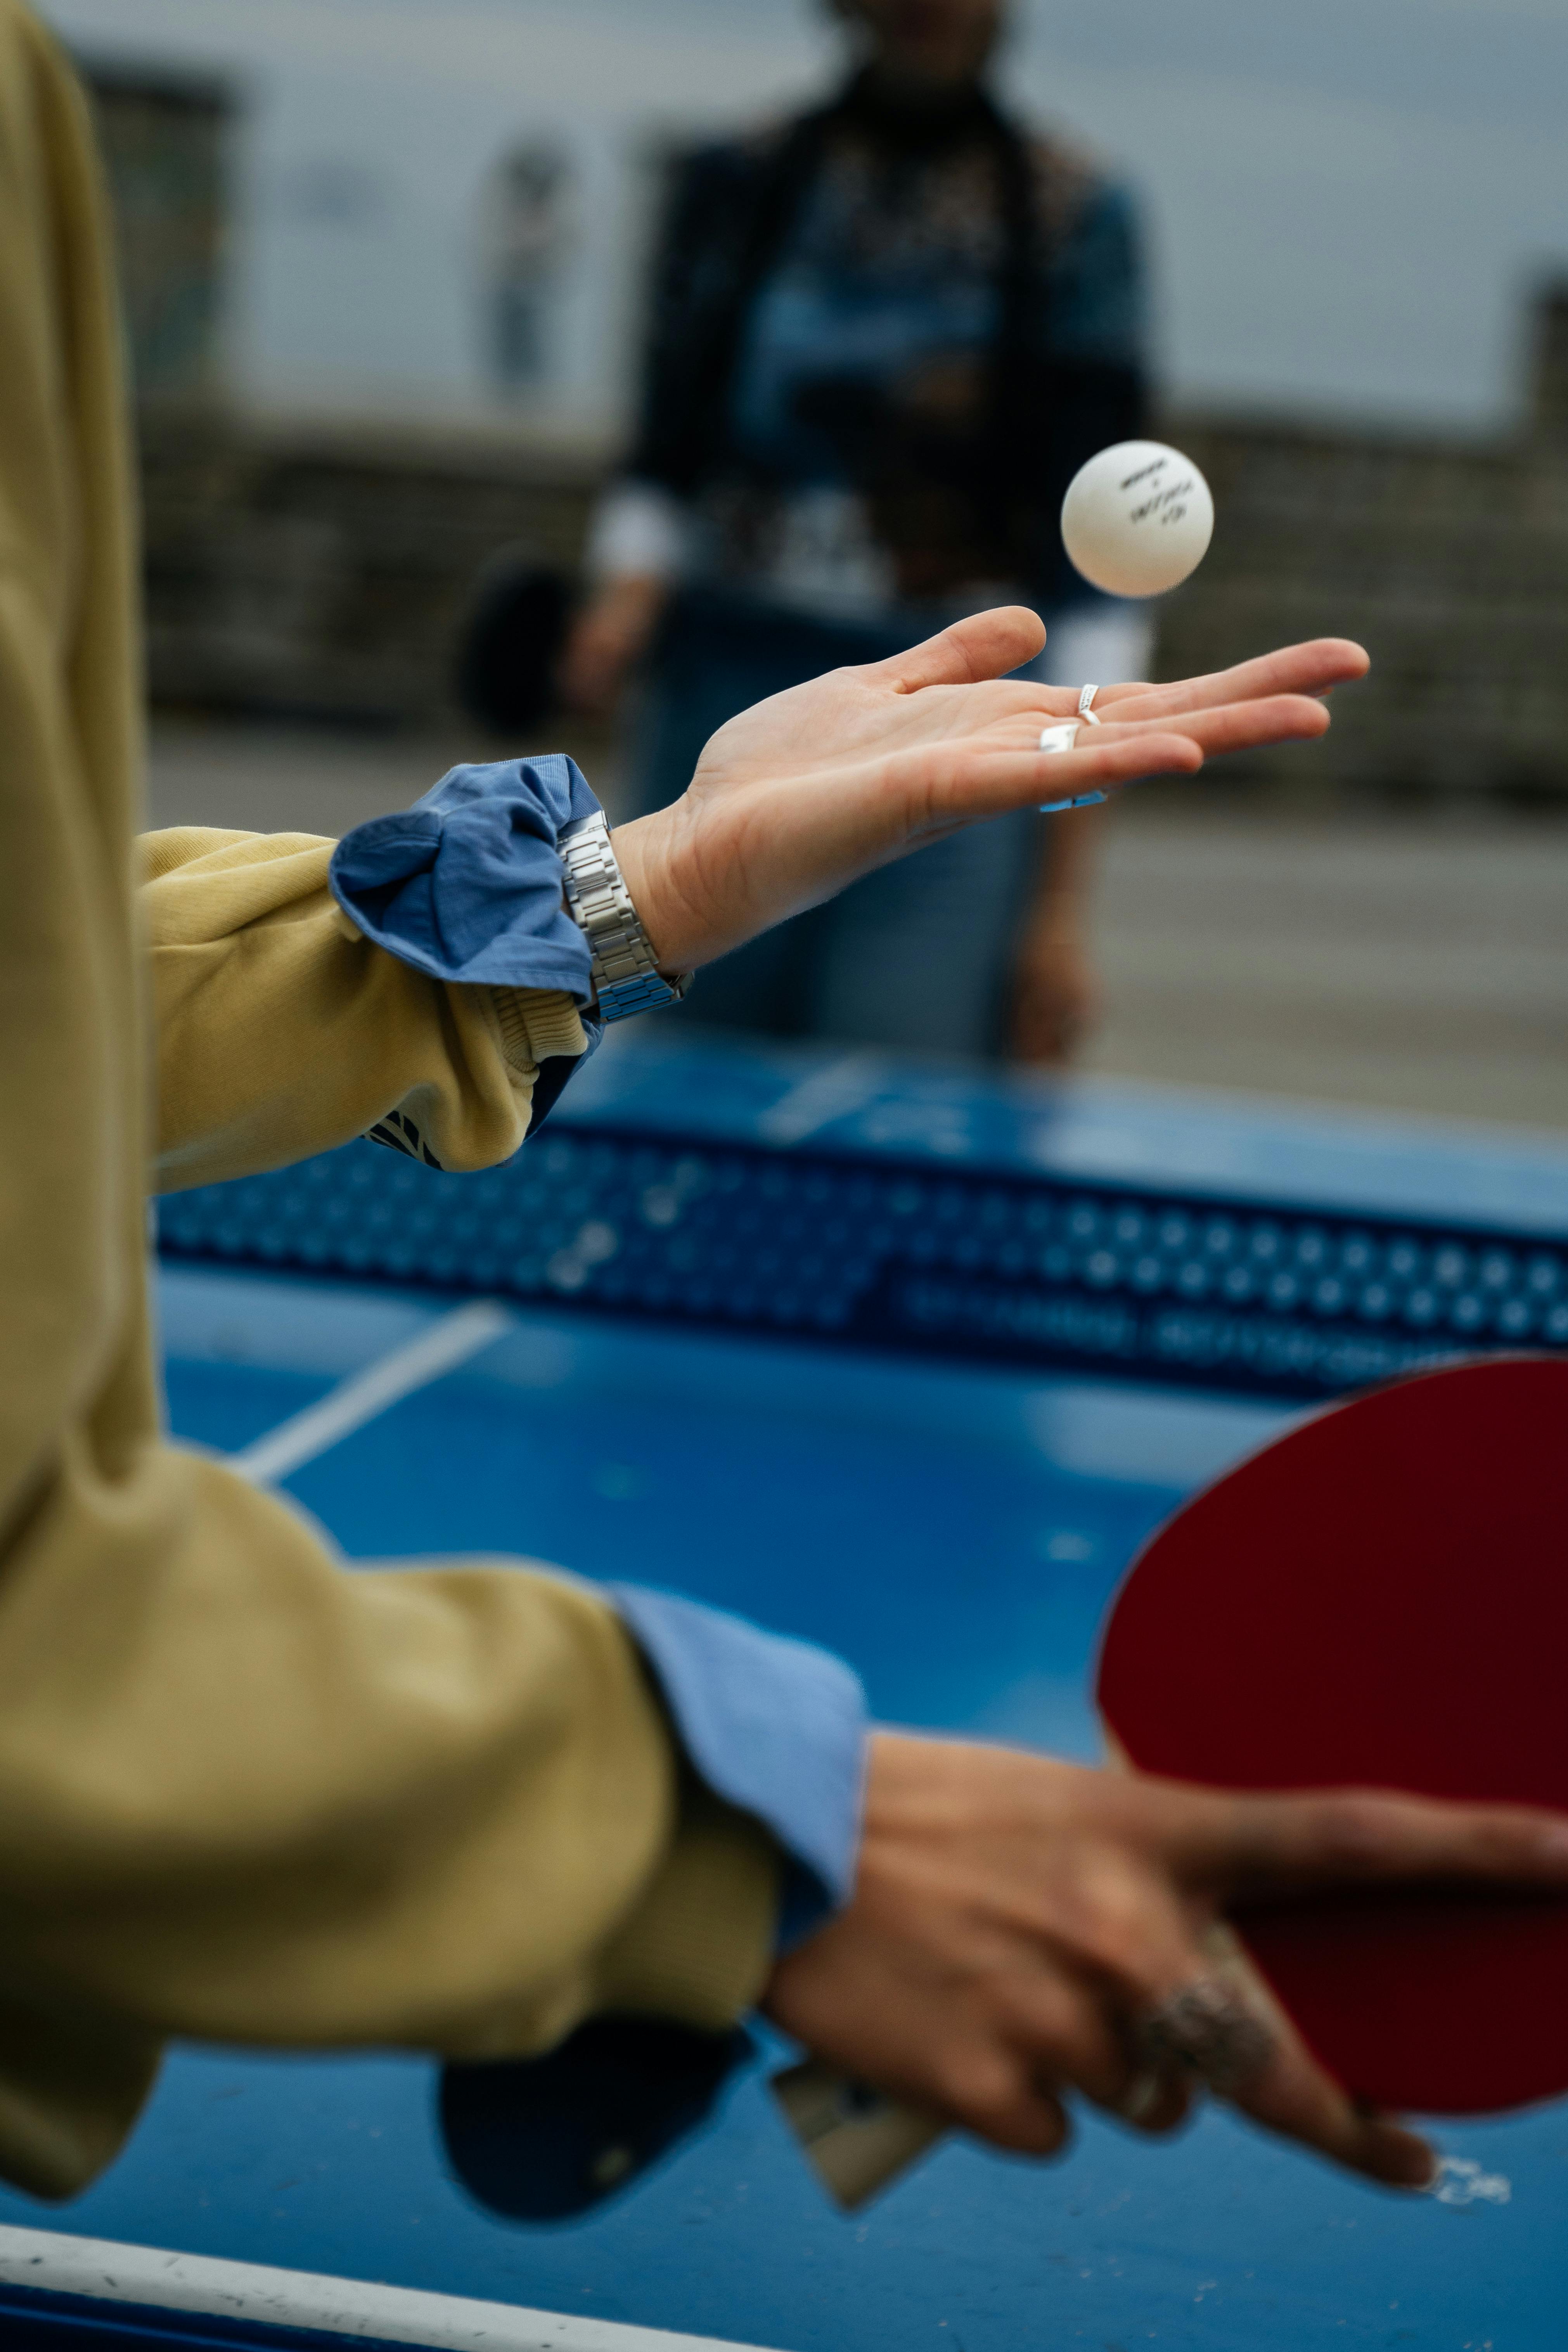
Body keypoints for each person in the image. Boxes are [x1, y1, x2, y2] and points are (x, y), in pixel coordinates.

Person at [6, 0, 1568, 2222]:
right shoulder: (734, 179)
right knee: (694, 1215)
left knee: (875, 1167)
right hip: (738, 640)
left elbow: (23, 1011)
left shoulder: (1064, 217)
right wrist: (730, 1833)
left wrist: (626, 885)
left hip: (898, 704)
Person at [562, 0, 1154, 1065]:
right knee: (675, 1089)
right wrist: (619, 607)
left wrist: (1058, 912)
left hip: (955, 721)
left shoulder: (1078, 212)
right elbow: (665, 446)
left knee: (898, 1104)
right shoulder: (733, 178)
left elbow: (1100, 564)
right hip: (720, 704)